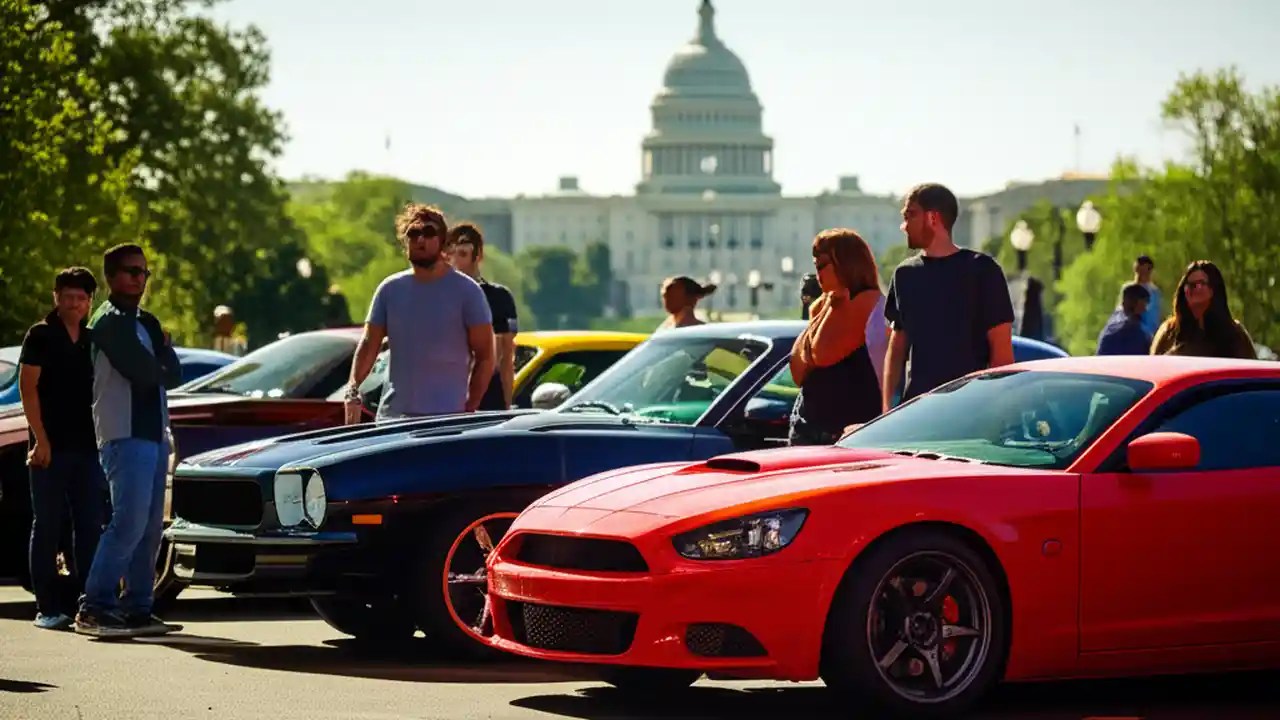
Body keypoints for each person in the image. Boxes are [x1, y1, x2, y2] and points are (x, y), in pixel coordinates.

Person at [77, 244, 183, 637]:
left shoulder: (147, 322)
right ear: (111, 277)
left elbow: (173, 373)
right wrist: (161, 361)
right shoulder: (107, 323)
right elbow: (144, 370)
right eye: (130, 271)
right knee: (128, 522)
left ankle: (139, 607)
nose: (138, 279)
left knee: (151, 526)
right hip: (123, 434)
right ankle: (95, 606)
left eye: (143, 272)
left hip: (154, 433)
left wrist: (162, 361)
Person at [343, 204, 495, 423]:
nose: (420, 240)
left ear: (443, 242)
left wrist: (470, 407)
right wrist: (353, 388)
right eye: (413, 233)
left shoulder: (467, 292)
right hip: (392, 420)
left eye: (429, 232)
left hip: (445, 423)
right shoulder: (390, 289)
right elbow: (369, 344)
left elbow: (485, 357)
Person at [19, 268, 108, 630]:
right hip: (49, 447)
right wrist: (40, 438)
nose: (73, 304)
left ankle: (87, 604)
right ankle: (47, 606)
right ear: (56, 297)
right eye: (67, 296)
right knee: (48, 524)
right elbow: (28, 387)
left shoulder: (91, 339)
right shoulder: (40, 335)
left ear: (89, 303)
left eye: (81, 298)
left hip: (87, 447)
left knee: (89, 525)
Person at [882, 183, 1015, 411]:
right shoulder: (905, 275)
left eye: (910, 215)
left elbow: (1001, 353)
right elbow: (896, 351)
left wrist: (997, 413)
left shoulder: (983, 271)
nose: (904, 226)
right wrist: (888, 411)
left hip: (970, 411)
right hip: (917, 410)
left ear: (933, 218)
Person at [788, 230, 884, 445]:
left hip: (844, 432)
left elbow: (821, 354)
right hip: (812, 424)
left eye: (822, 265)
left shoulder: (867, 302)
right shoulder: (827, 303)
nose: (817, 273)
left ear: (845, 264)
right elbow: (797, 370)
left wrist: (832, 303)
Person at [448, 223, 519, 411]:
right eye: (450, 254)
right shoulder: (440, 296)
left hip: (489, 398)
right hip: (449, 396)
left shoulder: (498, 297)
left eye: (462, 254)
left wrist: (506, 404)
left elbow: (506, 356)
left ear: (478, 256)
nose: (455, 261)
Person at [1150, 260, 1256, 359]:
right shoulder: (1169, 331)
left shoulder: (1235, 334)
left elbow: (1251, 372)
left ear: (1213, 289)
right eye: (1189, 284)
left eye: (1199, 284)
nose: (1192, 289)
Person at [1096, 283, 1152, 355]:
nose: (1145, 309)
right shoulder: (1133, 330)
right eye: (1144, 304)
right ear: (1136, 303)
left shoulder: (1112, 324)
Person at [1133, 255, 1163, 337]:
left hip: (1150, 337)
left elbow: (1156, 318)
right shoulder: (1128, 290)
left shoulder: (1155, 292)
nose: (1141, 274)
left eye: (1145, 271)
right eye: (1139, 271)